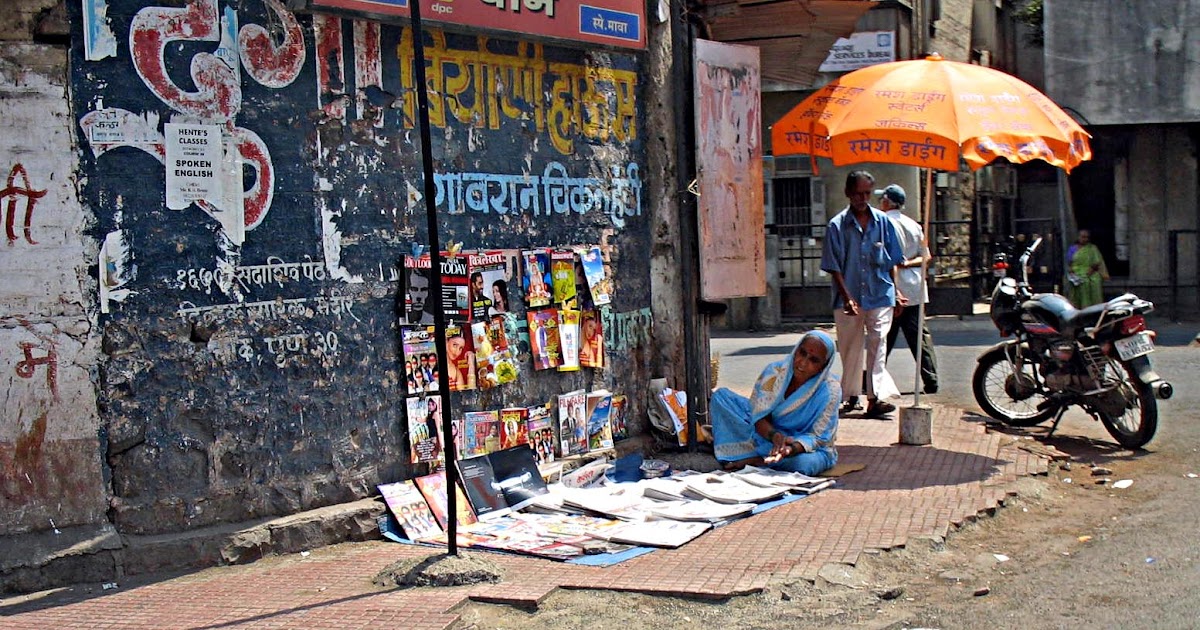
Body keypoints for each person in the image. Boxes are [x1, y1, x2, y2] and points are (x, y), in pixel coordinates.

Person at [820, 171, 906, 418]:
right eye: (858, 193)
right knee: (850, 348)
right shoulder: (837, 226)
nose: (862, 198)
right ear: (848, 193)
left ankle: (875, 397)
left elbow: (894, 261)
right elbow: (833, 266)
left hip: (880, 292)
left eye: (867, 193)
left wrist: (896, 290)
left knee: (878, 342)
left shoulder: (883, 222)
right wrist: (847, 296)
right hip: (849, 295)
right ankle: (852, 395)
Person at [710, 331, 839, 476]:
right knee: (721, 397)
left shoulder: (831, 390)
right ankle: (765, 457)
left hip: (801, 446)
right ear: (796, 350)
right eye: (802, 353)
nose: (803, 363)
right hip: (768, 435)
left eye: (813, 360)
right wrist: (775, 437)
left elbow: (819, 437)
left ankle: (758, 459)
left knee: (803, 464)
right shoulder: (774, 372)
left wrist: (791, 448)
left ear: (823, 367)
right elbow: (757, 415)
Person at [878, 184, 940, 395]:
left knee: (883, 336)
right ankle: (931, 379)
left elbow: (887, 259)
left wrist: (900, 265)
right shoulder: (914, 225)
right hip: (915, 287)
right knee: (919, 337)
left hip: (893, 287)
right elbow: (927, 257)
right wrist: (909, 262)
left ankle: (873, 381)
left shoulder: (884, 223)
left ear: (887, 201)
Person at [1068, 229, 1110, 307]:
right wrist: (1072, 272)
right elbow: (1070, 263)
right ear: (1078, 237)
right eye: (1083, 237)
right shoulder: (1072, 249)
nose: (1085, 239)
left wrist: (1090, 271)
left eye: (1087, 237)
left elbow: (1097, 262)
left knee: (1091, 281)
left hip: (1090, 272)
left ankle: (1092, 308)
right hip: (1076, 273)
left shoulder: (1092, 248)